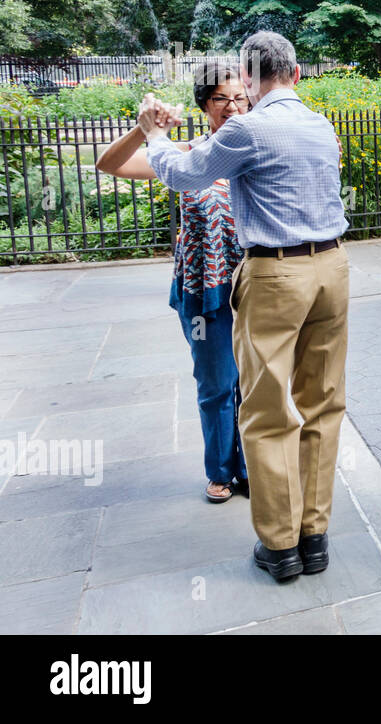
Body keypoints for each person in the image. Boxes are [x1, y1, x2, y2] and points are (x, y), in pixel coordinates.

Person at [140, 31, 350, 582]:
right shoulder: (321, 125)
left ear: (250, 80)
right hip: (333, 268)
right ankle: (315, 538)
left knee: (265, 410)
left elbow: (183, 175)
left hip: (276, 274)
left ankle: (280, 548)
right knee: (323, 407)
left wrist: (156, 135)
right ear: (297, 73)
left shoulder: (248, 128)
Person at [97, 60, 249, 504]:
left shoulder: (256, 151)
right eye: (222, 98)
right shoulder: (183, 155)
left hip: (252, 286)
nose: (233, 107)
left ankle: (250, 467)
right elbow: (110, 165)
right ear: (205, 104)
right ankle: (221, 470)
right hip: (203, 287)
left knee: (255, 386)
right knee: (217, 383)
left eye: (241, 97)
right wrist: (146, 129)